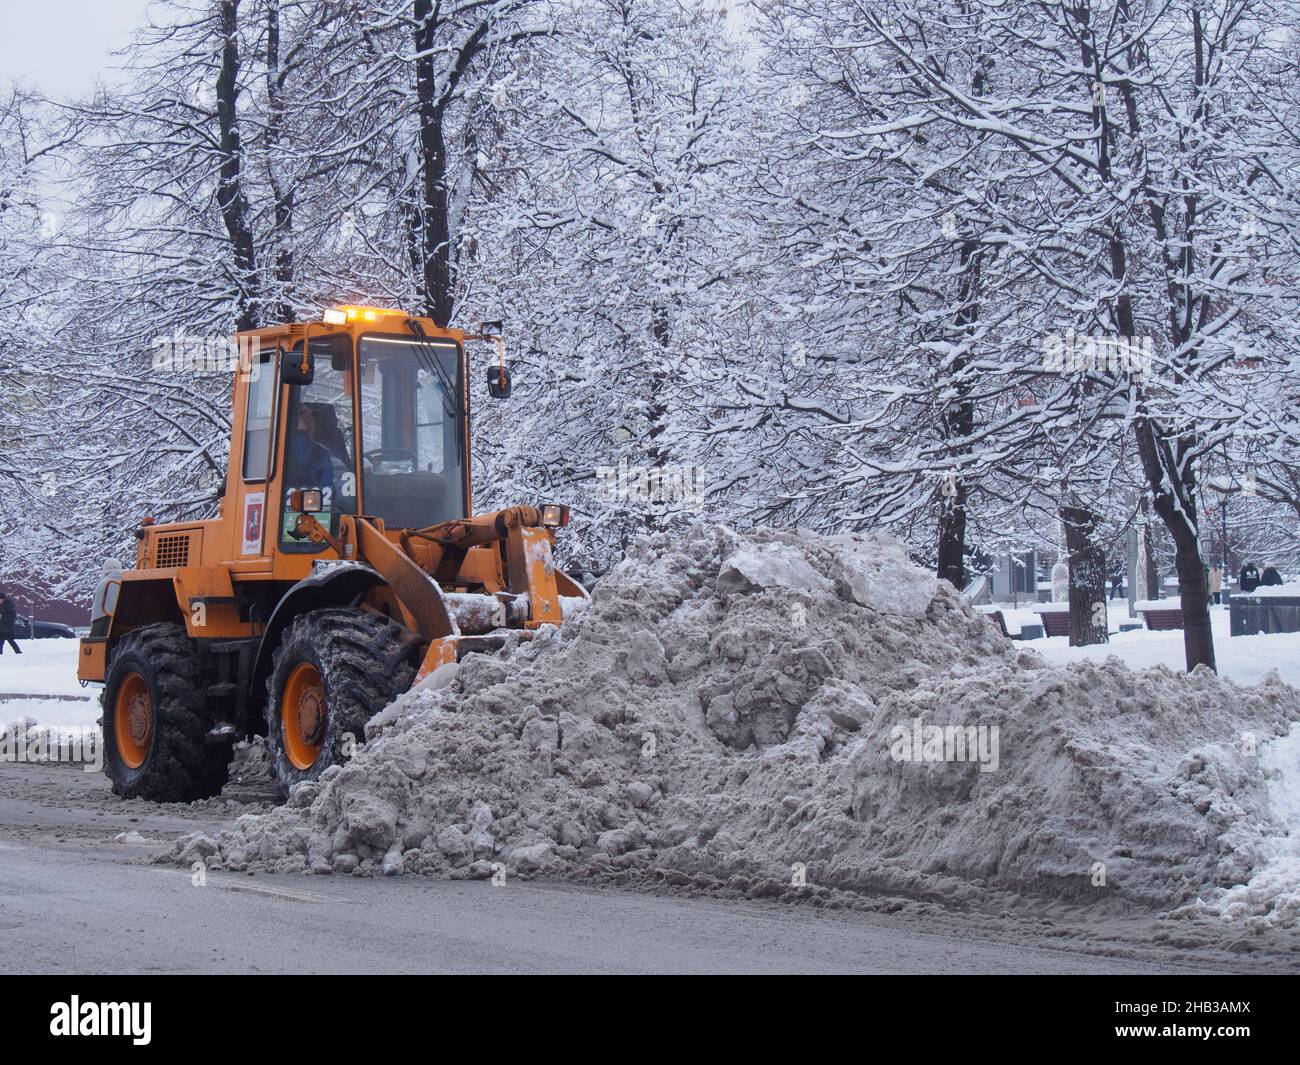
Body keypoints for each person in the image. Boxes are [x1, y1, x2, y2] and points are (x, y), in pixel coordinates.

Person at [0, 590, 21, 655]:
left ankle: (18, 652)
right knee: (0, 641)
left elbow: (12, 616)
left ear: (3, 599)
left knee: (11, 641)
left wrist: (2, 617)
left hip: (8, 627)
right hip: (1, 627)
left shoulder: (9, 605)